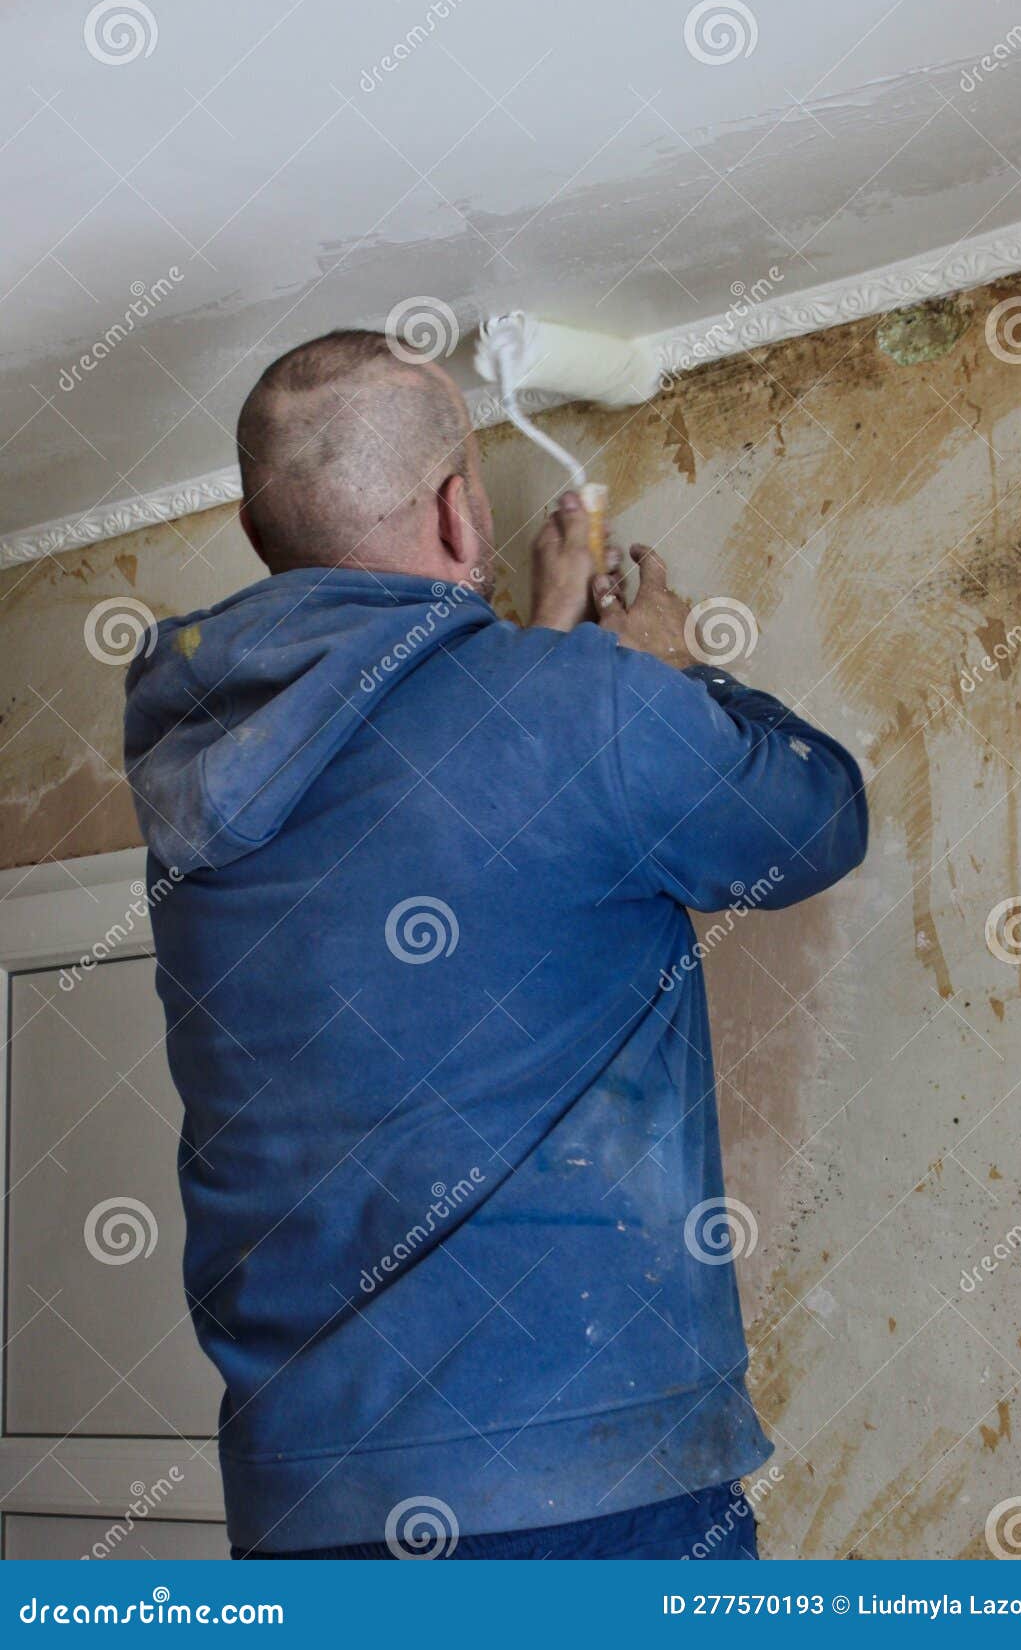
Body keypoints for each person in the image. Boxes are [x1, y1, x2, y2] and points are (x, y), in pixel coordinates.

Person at [124, 328, 867, 1560]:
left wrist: (557, 653)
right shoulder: (586, 714)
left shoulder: (195, 789)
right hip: (578, 1490)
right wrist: (676, 671)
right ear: (465, 510)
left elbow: (442, 817)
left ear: (264, 541)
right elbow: (816, 820)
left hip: (309, 1519)